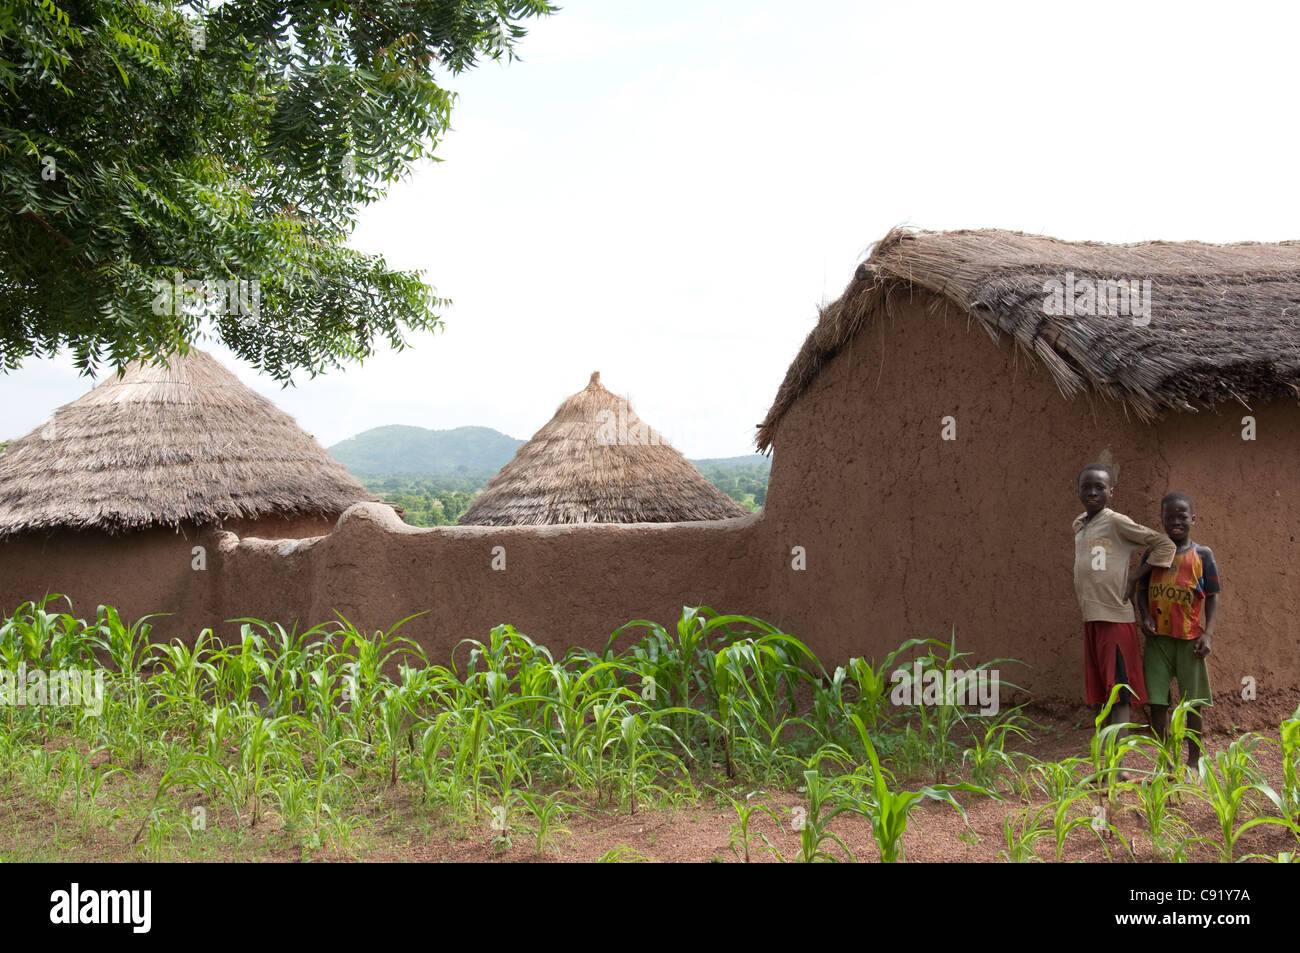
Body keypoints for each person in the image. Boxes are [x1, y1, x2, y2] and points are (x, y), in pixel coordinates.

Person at [1072, 463, 1175, 746]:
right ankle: (1107, 758)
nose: (1092, 492)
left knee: (1120, 692)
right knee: (1104, 693)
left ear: (1111, 491)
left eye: (1099, 487)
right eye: (1086, 487)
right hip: (1092, 618)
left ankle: (1121, 765)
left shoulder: (1116, 522)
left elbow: (1163, 543)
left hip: (1116, 619)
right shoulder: (1079, 524)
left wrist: (1135, 578)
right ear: (1078, 490)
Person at [1132, 491, 1219, 768]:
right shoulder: (1153, 552)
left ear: (1193, 518)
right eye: (1169, 517)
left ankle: (1193, 762)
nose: (1175, 522)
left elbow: (1214, 595)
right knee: (1158, 704)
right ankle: (1165, 761)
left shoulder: (1202, 555)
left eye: (1182, 516)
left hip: (1189, 640)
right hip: (1158, 641)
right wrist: (1144, 616)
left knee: (1193, 704)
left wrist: (1208, 634)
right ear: (1161, 520)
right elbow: (1141, 589)